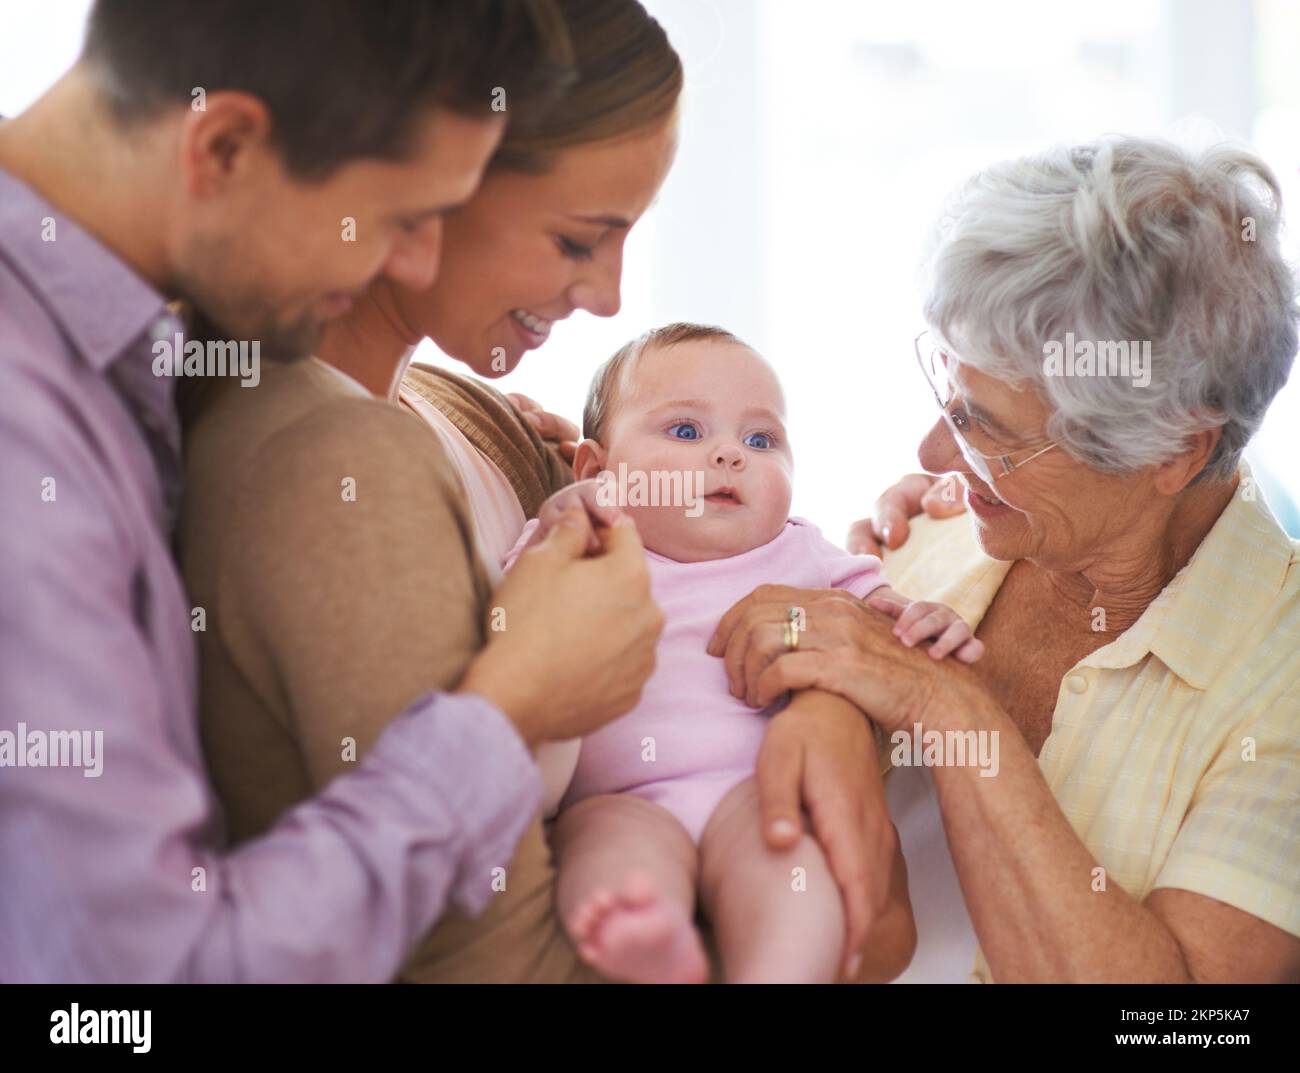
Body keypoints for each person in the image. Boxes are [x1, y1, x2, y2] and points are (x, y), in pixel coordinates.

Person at [184, 0, 903, 983]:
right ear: (432, 182)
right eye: (576, 239)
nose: (609, 295)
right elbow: (487, 951)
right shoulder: (337, 461)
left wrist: (834, 709)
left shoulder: (465, 411)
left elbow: (719, 579)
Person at [0, 0, 659, 983]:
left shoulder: (122, 349)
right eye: (398, 219)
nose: (416, 267)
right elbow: (137, 983)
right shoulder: (29, 444)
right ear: (222, 146)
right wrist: (507, 704)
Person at [711, 137, 1300, 982]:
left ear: (1175, 449)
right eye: (952, 400)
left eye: (992, 429)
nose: (931, 452)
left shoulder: (1284, 675)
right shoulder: (936, 534)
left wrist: (947, 709)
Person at [518, 323, 986, 982]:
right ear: (598, 469)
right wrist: (558, 522)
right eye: (685, 431)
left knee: (794, 878)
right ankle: (650, 945)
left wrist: (929, 620)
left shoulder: (805, 551)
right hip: (620, 795)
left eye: (760, 439)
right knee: (603, 864)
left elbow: (886, 623)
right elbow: (516, 609)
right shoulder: (582, 539)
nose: (730, 455)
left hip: (760, 791)